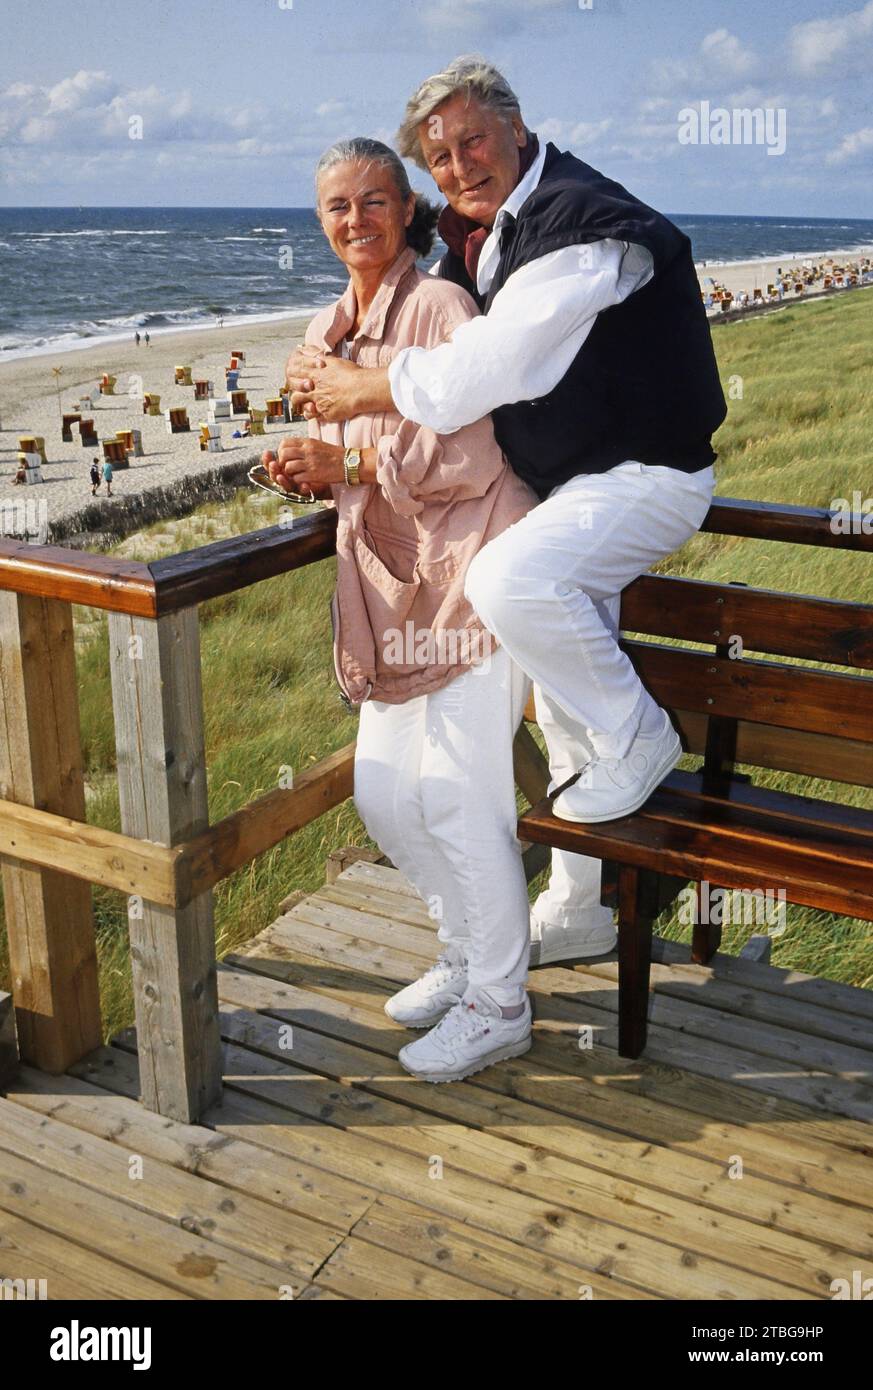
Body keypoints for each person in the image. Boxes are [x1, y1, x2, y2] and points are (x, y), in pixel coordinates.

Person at [286, 55, 727, 968]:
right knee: (561, 701)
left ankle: (642, 737)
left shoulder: (577, 221)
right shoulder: (485, 235)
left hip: (647, 474)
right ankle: (575, 911)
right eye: (437, 155)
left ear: (517, 130)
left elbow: (494, 368)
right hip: (580, 485)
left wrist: (362, 390)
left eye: (471, 140)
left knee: (509, 579)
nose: (456, 165)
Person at [264, 137, 538, 1084]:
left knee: (460, 802)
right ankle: (465, 950)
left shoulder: (442, 307)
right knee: (385, 795)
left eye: (374, 200)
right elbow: (334, 449)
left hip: (462, 580)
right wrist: (305, 466)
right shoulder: (325, 328)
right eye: (338, 206)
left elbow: (473, 461)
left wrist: (346, 463)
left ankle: (501, 1002)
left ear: (407, 208)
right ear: (322, 223)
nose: (356, 221)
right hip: (386, 589)